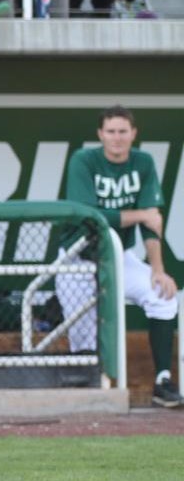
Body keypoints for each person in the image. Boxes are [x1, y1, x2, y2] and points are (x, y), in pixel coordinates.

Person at [56, 105, 181, 407]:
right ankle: (89, 401)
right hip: (78, 260)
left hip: (118, 256)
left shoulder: (143, 162)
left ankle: (162, 382)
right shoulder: (83, 160)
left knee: (163, 296)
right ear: (100, 134)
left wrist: (158, 270)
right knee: (84, 344)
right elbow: (93, 216)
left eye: (123, 131)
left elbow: (153, 224)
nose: (117, 138)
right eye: (110, 131)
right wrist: (140, 215)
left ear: (133, 134)